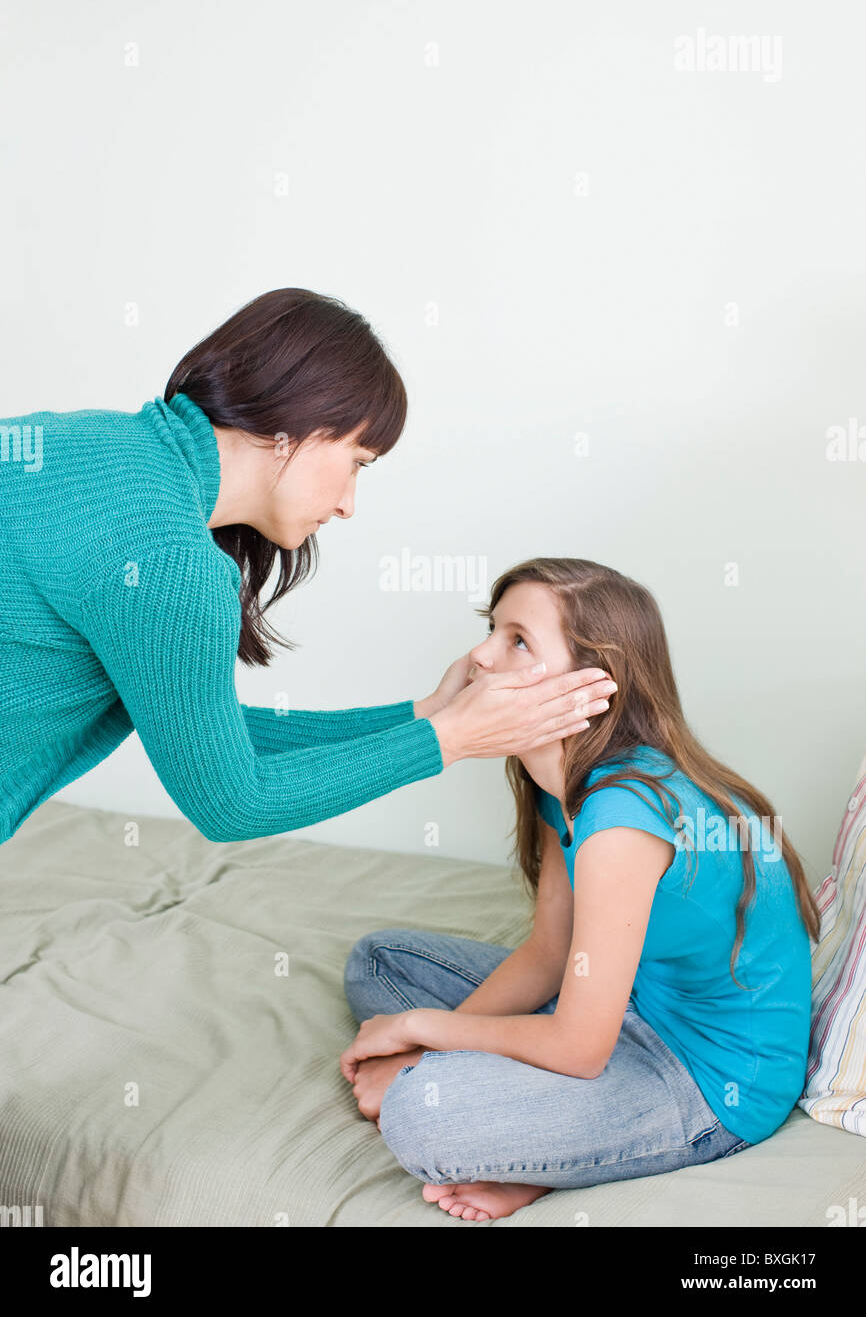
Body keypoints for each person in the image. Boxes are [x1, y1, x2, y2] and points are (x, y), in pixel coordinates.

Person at [0, 289, 614, 847]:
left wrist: (427, 716)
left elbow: (200, 734)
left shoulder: (78, 444)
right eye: (358, 462)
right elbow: (233, 803)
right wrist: (451, 740)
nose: (348, 504)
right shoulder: (172, 566)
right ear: (295, 424)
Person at [340, 557, 820, 1222]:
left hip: (706, 1081)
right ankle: (538, 1129)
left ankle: (545, 1154)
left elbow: (579, 1048)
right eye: (491, 628)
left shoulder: (623, 814)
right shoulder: (559, 781)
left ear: (593, 687)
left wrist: (422, 1036)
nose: (479, 656)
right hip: (616, 1006)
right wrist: (433, 1046)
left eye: (517, 640)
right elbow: (548, 953)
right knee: (378, 960)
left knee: (423, 1111)